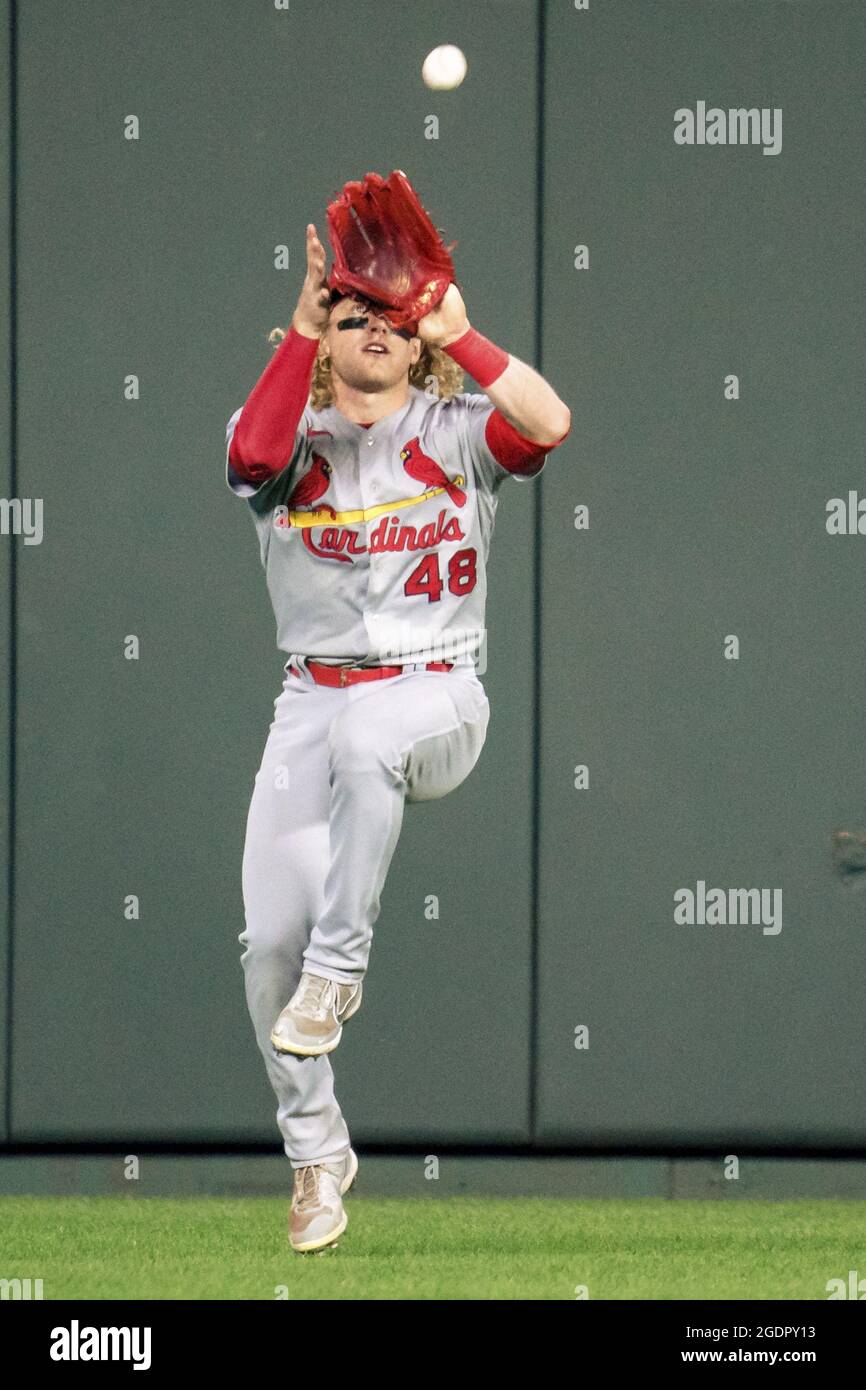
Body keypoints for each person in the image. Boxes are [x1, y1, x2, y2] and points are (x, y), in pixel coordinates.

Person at [224, 223, 571, 1252]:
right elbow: (249, 458)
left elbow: (548, 424)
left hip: (437, 694)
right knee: (265, 951)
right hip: (311, 701)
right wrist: (295, 327)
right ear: (322, 335)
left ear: (414, 337)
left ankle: (344, 967)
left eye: (389, 312)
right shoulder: (283, 431)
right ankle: (316, 1154)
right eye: (348, 312)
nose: (371, 326)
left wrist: (461, 336)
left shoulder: (458, 426)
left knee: (375, 734)